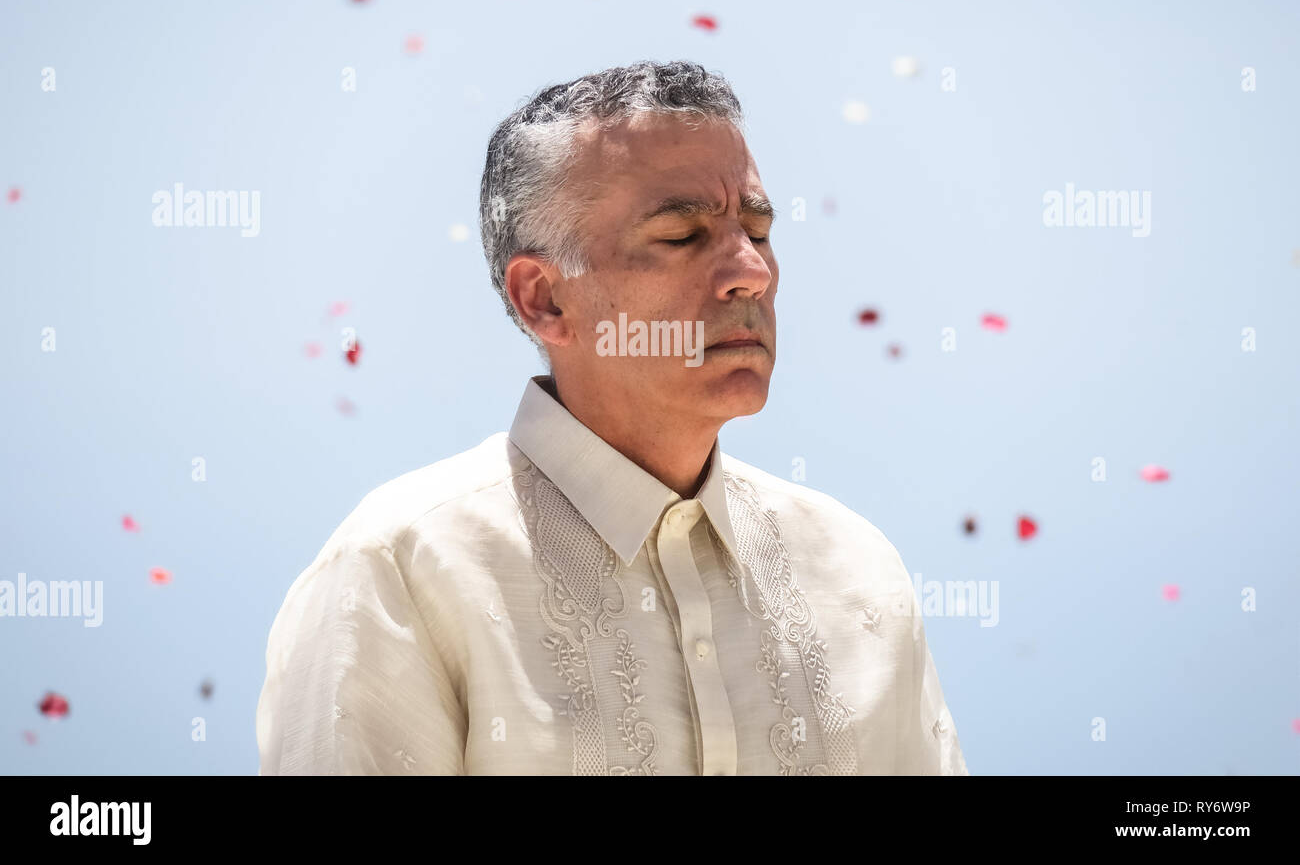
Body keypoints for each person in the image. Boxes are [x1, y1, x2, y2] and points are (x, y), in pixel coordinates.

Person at [255, 60, 969, 775]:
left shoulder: (858, 568)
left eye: (757, 228)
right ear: (545, 299)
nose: (751, 270)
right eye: (683, 235)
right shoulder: (403, 566)